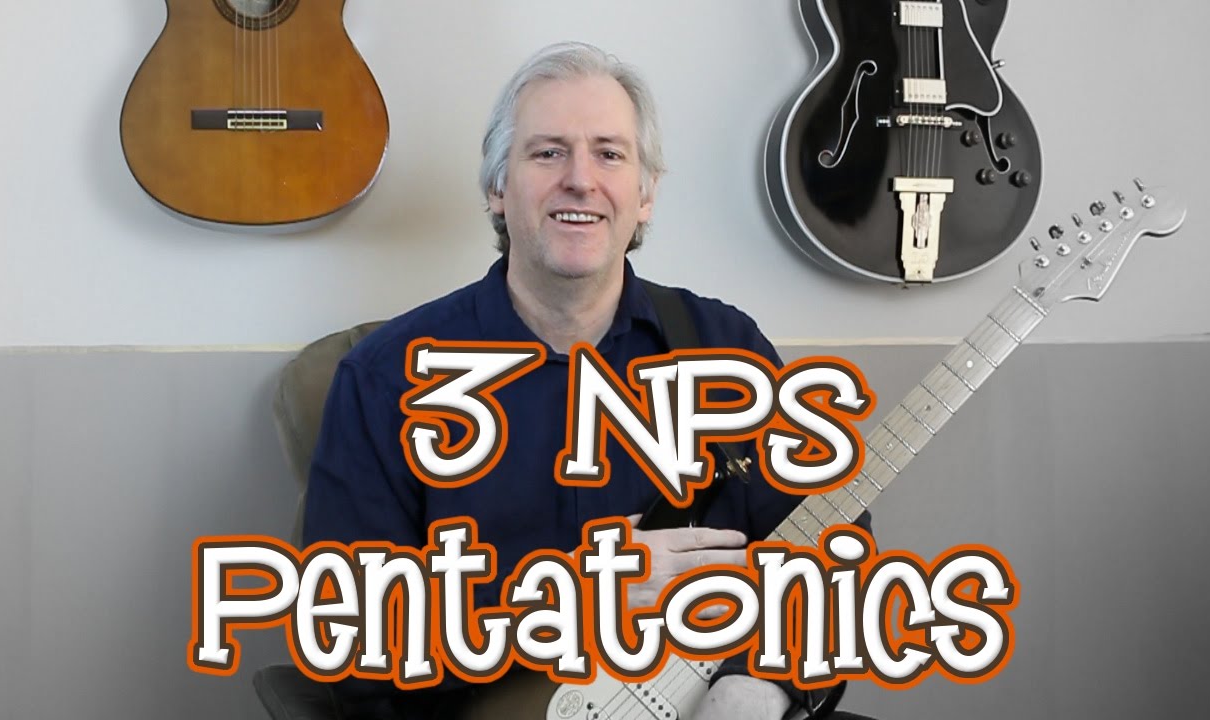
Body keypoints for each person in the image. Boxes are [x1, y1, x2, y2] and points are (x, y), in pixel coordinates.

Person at [303, 41, 872, 720]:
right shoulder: (387, 380)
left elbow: (834, 552)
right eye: (548, 153)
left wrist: (759, 684)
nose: (580, 180)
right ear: (497, 188)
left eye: (609, 154)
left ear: (646, 195)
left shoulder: (725, 350)